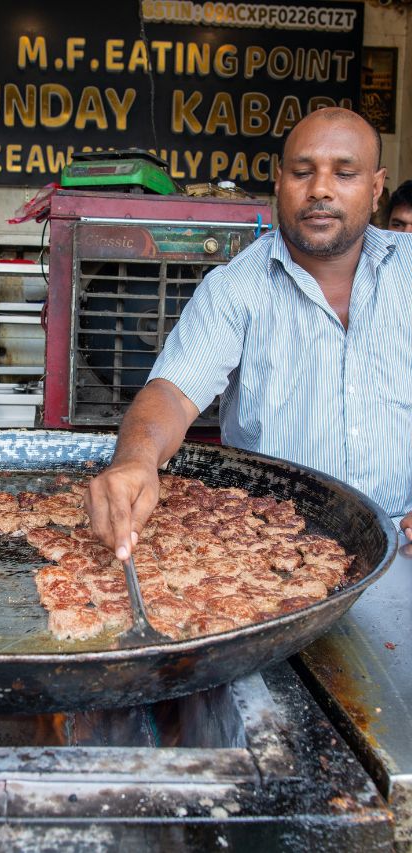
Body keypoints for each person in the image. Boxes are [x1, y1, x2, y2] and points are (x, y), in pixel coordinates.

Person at [84, 107, 412, 557]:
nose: (320, 189)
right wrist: (135, 460)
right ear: (279, 181)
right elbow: (173, 395)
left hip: (405, 543)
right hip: (275, 548)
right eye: (302, 172)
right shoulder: (236, 286)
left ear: (375, 188)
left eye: (344, 173)